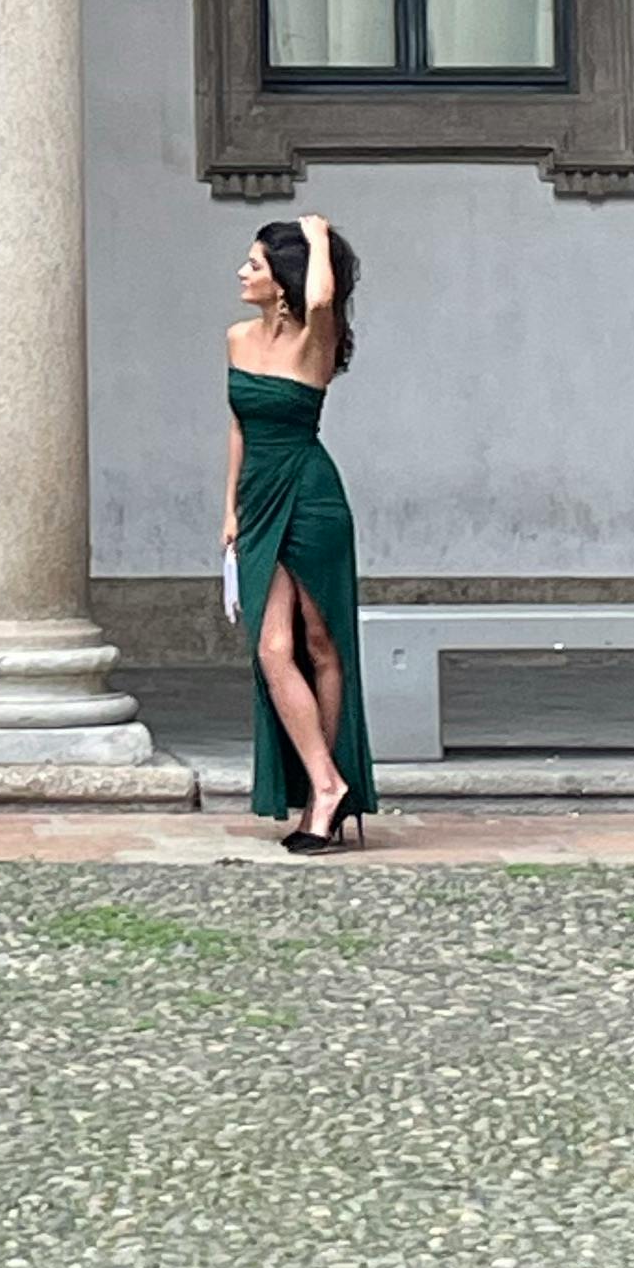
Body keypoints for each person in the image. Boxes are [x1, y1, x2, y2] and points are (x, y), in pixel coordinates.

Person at [225, 212, 375, 854]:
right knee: (270, 647)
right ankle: (324, 781)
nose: (241, 271)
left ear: (281, 281)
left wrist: (316, 237)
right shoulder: (236, 338)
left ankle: (326, 795)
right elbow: (238, 426)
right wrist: (228, 510)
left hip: (311, 496)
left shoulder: (316, 336)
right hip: (258, 500)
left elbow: (320, 295)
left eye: (254, 263)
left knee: (319, 640)